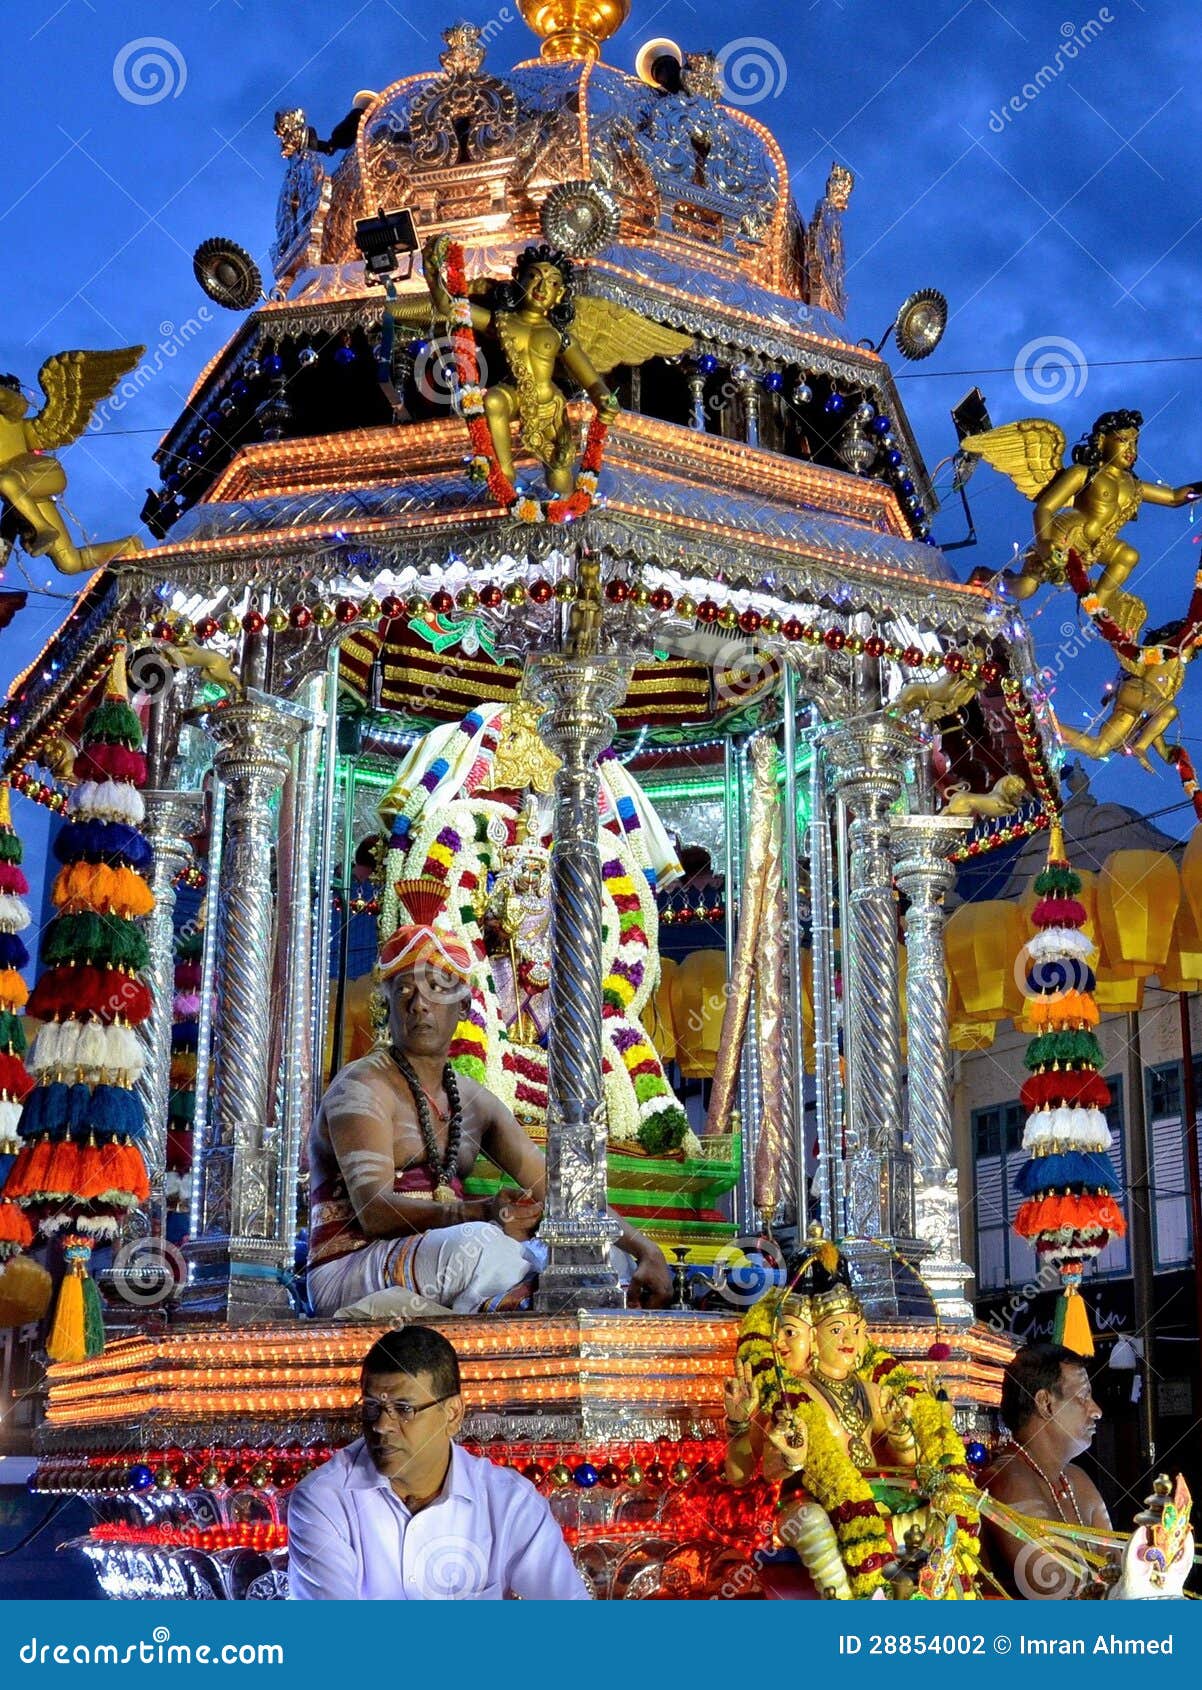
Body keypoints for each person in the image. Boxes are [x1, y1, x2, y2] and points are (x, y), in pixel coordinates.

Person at [307, 885, 672, 1317]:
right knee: (480, 1249)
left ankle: (516, 1309)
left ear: (463, 1008)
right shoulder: (362, 1087)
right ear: (386, 1004)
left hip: (446, 1254)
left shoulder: (473, 1100)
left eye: (437, 990)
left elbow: (561, 1193)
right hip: (349, 1265)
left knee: (602, 1257)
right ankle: (512, 1307)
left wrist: (646, 1249)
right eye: (404, 992)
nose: (420, 1005)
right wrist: (480, 1213)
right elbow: (374, 1213)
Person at [287, 1328, 589, 1599]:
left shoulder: (509, 1502)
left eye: (403, 1408)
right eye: (372, 1407)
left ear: (453, 1414)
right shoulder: (323, 1499)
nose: (381, 1425)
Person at [983, 1342, 1109, 1598]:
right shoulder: (1007, 1481)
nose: (1096, 1411)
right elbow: (1056, 1594)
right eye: (1083, 1397)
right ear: (1045, 1403)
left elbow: (1117, 1568)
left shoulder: (1076, 1479)